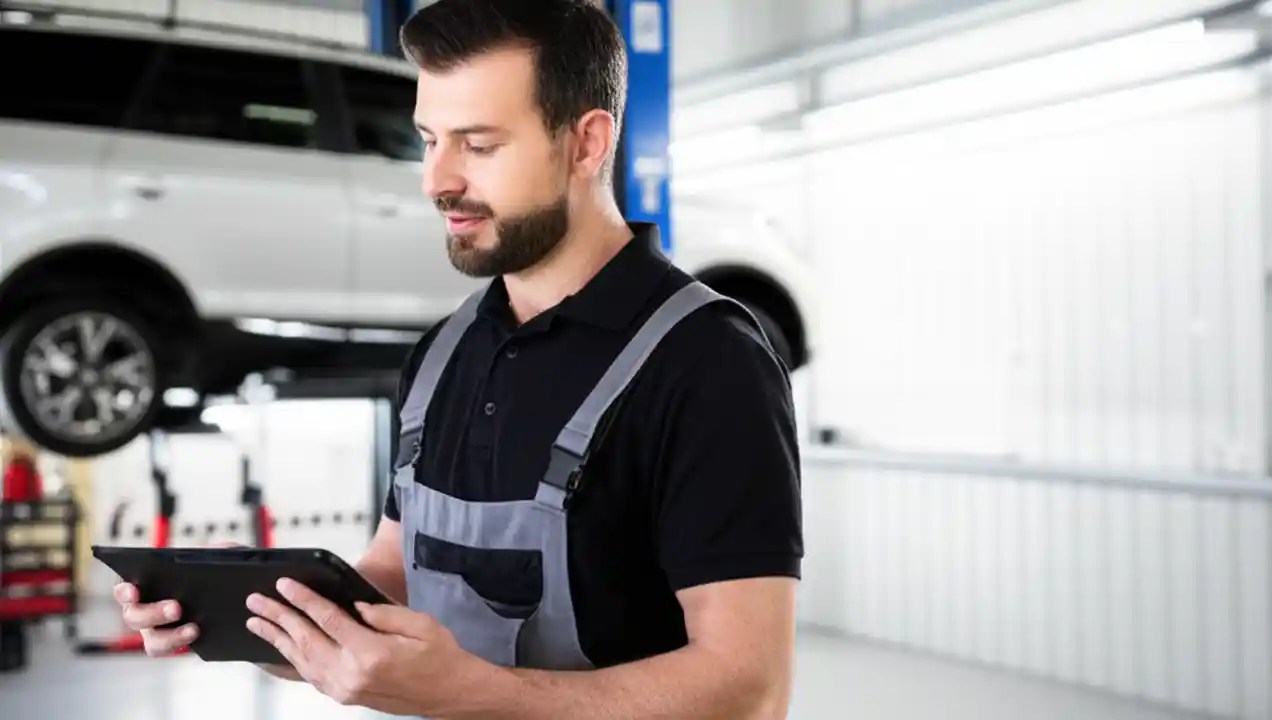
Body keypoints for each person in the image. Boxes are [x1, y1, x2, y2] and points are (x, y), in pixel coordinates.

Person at [111, 0, 804, 716]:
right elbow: (393, 575)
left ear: (587, 143)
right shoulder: (444, 353)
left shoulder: (709, 362)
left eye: (478, 145)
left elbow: (749, 689)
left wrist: (473, 691)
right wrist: (265, 615)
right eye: (429, 140)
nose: (436, 181)